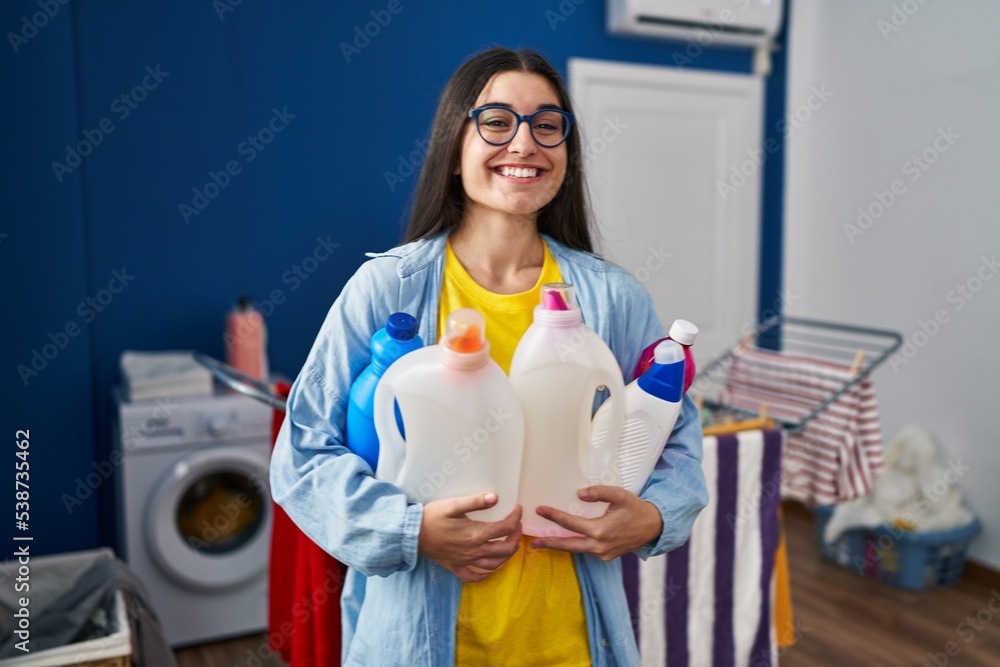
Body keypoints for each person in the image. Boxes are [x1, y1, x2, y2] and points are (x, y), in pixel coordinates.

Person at [270, 46, 708, 667]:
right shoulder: (389, 290)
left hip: (571, 642)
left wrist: (654, 516)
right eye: (497, 121)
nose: (524, 144)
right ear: (455, 146)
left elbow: (679, 444)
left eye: (547, 125)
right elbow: (303, 455)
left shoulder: (612, 298)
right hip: (418, 641)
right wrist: (410, 530)